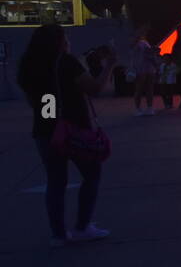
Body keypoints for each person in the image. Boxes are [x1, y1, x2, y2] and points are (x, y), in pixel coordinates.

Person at [17, 24, 115, 245]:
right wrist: (109, 65)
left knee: (56, 182)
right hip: (74, 128)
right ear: (60, 42)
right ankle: (82, 226)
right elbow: (95, 89)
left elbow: (33, 101)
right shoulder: (66, 63)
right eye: (66, 37)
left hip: (44, 129)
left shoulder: (27, 65)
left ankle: (58, 234)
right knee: (91, 175)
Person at [130, 27, 160, 115]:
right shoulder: (137, 43)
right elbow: (134, 54)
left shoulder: (145, 42)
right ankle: (138, 109)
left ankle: (149, 107)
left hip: (149, 69)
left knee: (149, 89)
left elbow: (150, 55)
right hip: (141, 69)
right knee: (139, 89)